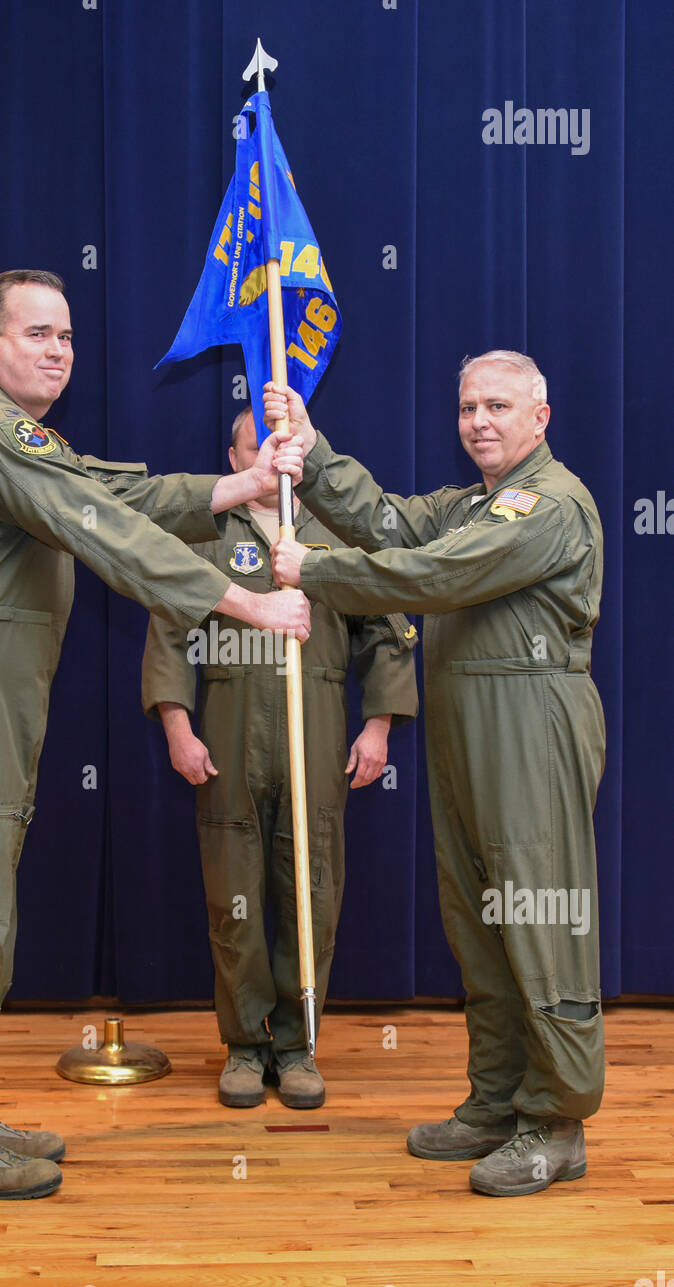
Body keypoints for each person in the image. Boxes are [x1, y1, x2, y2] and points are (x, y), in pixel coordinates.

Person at [0, 269, 310, 1200]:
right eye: (35, 333)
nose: (57, 350)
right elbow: (102, 527)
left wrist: (242, 482)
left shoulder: (18, 435)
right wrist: (242, 602)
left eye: (65, 335)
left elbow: (105, 488)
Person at [266, 352, 606, 1196]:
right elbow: (385, 522)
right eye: (466, 407)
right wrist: (313, 452)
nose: (480, 421)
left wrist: (317, 571)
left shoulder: (549, 503)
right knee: (478, 918)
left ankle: (557, 1121)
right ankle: (497, 1101)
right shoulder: (468, 503)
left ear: (541, 415)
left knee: (538, 914)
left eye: (498, 405)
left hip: (532, 720)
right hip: (466, 725)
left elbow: (439, 574)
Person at [141, 406, 418, 1109]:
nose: (269, 458)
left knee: (310, 891)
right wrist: (178, 727)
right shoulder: (205, 533)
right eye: (253, 446)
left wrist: (378, 726)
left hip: (316, 730)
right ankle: (243, 1045)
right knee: (232, 897)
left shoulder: (335, 533)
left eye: (281, 446)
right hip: (230, 733)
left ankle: (297, 1047)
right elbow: (171, 628)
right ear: (233, 458)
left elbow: (387, 632)